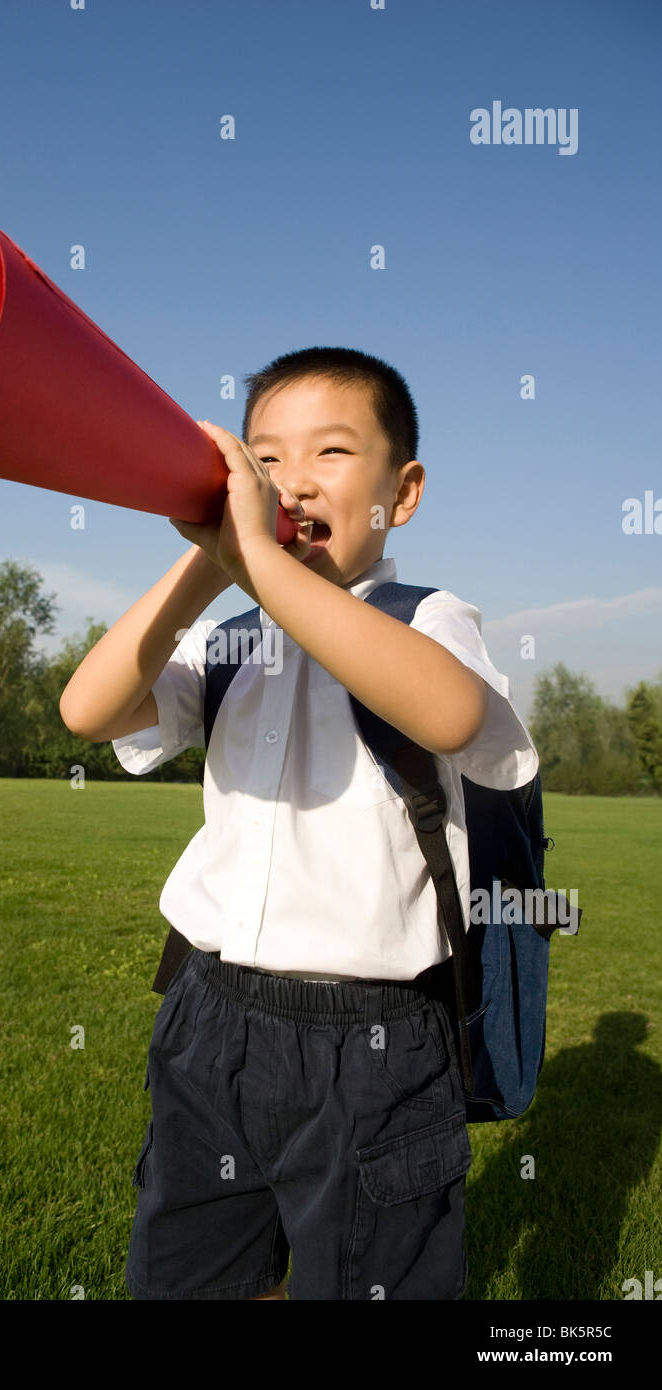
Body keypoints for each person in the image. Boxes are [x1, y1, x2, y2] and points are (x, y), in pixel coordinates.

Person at [59, 346, 540, 1300]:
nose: (290, 481)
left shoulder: (426, 617)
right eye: (264, 459)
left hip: (371, 1041)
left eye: (330, 451)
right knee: (186, 1271)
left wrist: (266, 568)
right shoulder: (235, 634)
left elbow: (449, 716)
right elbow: (89, 708)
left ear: (401, 493)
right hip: (211, 1017)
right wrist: (210, 562)